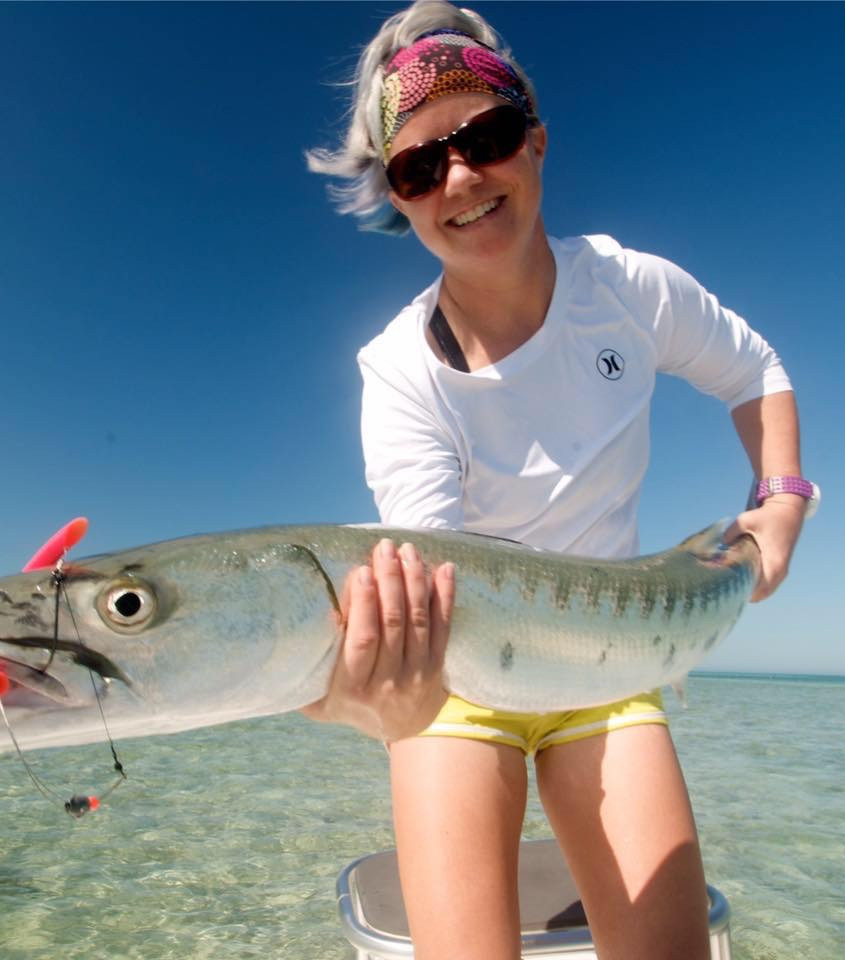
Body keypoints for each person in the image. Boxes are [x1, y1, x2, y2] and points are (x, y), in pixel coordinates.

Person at [303, 3, 815, 958]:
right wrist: (379, 689)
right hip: (457, 684)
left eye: (484, 138)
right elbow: (438, 567)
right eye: (418, 167)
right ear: (398, 201)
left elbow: (755, 371)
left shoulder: (628, 288)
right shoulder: (395, 370)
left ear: (533, 142)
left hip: (610, 667)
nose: (459, 177)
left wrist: (779, 498)